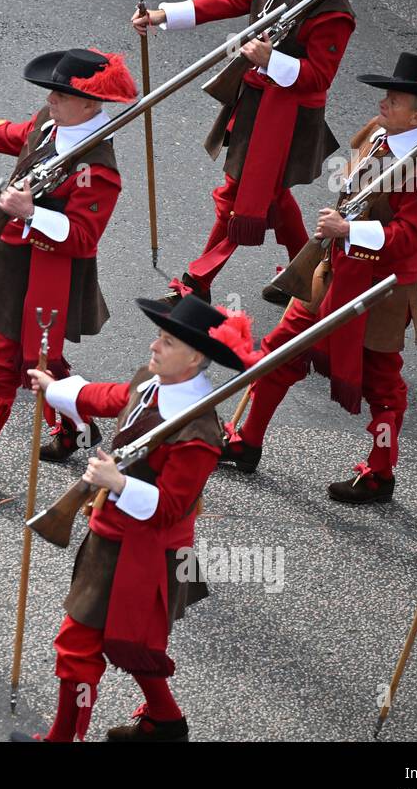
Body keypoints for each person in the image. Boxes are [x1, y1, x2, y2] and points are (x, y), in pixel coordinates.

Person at [220, 52, 417, 504]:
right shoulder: (379, 134)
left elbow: (407, 238)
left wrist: (349, 229)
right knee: (282, 351)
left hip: (380, 288)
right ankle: (248, 441)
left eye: (395, 99)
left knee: (382, 386)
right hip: (332, 268)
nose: (384, 102)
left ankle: (380, 474)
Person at [15, 295, 259, 741]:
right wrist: (57, 389)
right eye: (160, 336)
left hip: (141, 550)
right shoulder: (153, 381)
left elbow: (169, 508)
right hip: (112, 536)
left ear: (195, 357)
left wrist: (119, 482)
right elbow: (113, 397)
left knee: (78, 648)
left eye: (166, 341)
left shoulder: (199, 434)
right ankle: (165, 723)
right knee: (128, 643)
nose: (154, 346)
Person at [132, 0, 378, 304]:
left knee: (236, 194)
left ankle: (195, 285)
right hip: (254, 101)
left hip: (288, 116)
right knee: (275, 197)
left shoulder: (334, 12)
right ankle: (306, 274)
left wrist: (272, 57)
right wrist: (163, 16)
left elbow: (319, 78)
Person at [0, 47, 135, 482]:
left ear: (90, 104)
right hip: (15, 261)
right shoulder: (51, 123)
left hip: (48, 277)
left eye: (60, 95)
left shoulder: (98, 170)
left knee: (0, 369)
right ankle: (76, 426)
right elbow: (9, 134)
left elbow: (82, 237)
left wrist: (31, 212)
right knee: (46, 365)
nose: (49, 101)